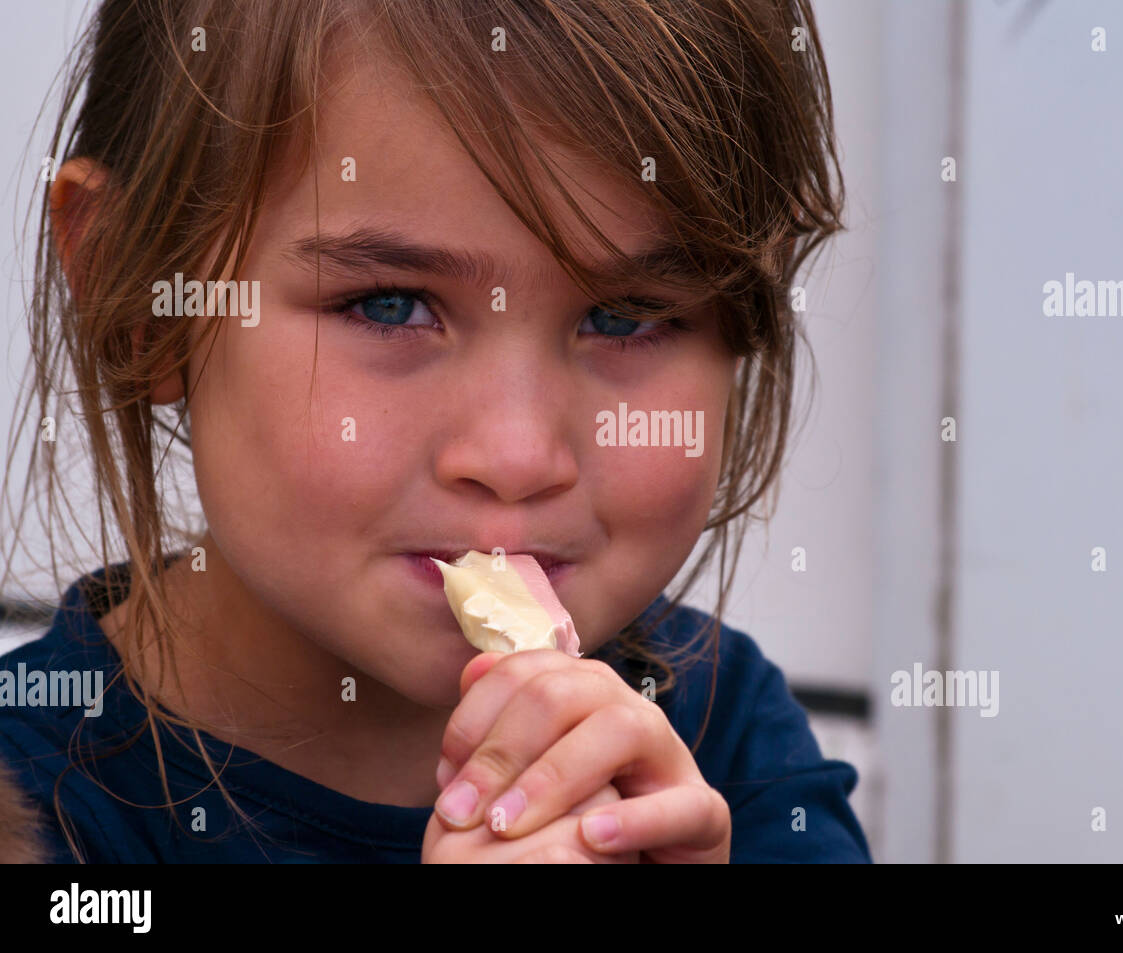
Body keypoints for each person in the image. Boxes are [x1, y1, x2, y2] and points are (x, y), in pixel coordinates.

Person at [0, 0, 869, 863]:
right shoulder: (37, 810)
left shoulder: (729, 745)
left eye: (624, 315)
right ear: (143, 295)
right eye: (390, 305)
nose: (518, 457)